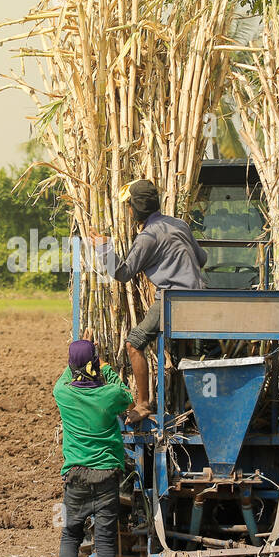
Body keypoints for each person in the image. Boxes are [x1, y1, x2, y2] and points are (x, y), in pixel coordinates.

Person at [92, 179, 207, 421]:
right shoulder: (179, 224)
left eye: (130, 206)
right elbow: (202, 258)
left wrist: (104, 249)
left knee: (134, 343)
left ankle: (143, 404)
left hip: (174, 299)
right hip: (201, 296)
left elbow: (123, 273)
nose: (129, 211)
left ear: (137, 208)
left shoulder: (148, 237)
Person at [52, 336, 132, 557]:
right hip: (106, 476)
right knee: (106, 538)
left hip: (76, 476)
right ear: (96, 364)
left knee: (71, 533)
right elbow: (127, 395)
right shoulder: (109, 395)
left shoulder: (63, 393)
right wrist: (105, 366)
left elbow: (67, 373)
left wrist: (81, 360)